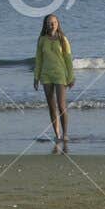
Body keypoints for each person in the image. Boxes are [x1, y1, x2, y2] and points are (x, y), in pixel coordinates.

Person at [33, 13, 75, 144]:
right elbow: (39, 60)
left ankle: (65, 134)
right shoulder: (42, 40)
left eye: (54, 23)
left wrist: (71, 76)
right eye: (50, 23)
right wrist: (36, 77)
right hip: (46, 75)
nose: (52, 25)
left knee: (61, 106)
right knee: (51, 107)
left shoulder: (63, 39)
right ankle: (57, 134)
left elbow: (68, 59)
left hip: (60, 74)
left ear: (58, 24)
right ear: (46, 25)